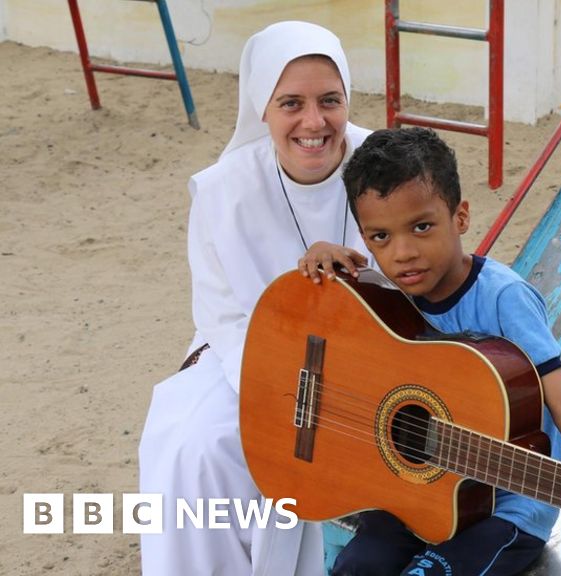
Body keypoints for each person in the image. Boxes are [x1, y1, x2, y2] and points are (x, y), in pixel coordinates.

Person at [297, 127, 561, 575]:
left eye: (421, 227)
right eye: (380, 237)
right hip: (413, 493)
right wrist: (320, 263)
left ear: (460, 217)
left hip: (508, 505)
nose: (402, 253)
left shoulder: (503, 300)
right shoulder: (384, 297)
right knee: (352, 569)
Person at [138, 21, 373, 575]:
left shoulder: (387, 168)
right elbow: (223, 315)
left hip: (372, 363)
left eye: (329, 101)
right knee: (193, 445)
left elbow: (418, 276)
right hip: (248, 359)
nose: (314, 122)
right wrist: (286, 398)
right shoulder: (222, 190)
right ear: (261, 107)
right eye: (290, 102)